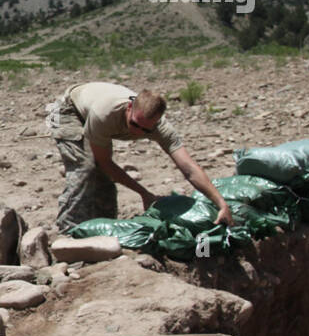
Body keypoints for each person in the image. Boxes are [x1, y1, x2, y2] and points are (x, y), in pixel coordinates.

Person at [45, 83, 235, 233]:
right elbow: (105, 162)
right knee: (87, 167)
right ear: (129, 108)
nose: (138, 132)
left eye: (146, 130)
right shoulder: (105, 114)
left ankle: (106, 227)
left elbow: (189, 168)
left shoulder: (161, 128)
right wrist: (144, 193)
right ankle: (67, 230)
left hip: (94, 109)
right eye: (135, 124)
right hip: (71, 109)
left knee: (102, 176)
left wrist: (221, 204)